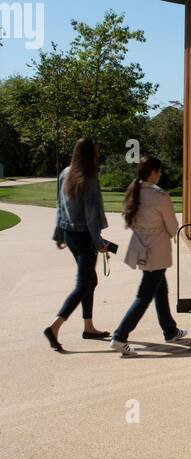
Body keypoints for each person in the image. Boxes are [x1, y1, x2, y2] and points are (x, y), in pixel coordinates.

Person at [109, 155, 187, 355]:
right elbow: (172, 226)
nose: (160, 175)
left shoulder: (133, 192)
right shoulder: (159, 196)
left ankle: (170, 330)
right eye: (159, 171)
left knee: (160, 289)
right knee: (144, 296)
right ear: (153, 172)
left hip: (142, 248)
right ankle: (120, 336)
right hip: (157, 250)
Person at [44, 137, 111, 352]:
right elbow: (91, 217)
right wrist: (99, 241)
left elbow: (59, 205)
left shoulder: (65, 173)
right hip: (85, 237)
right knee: (84, 283)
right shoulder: (88, 178)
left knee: (90, 280)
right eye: (96, 149)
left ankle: (88, 326)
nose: (98, 152)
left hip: (70, 234)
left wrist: (58, 234)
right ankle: (55, 327)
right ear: (90, 153)